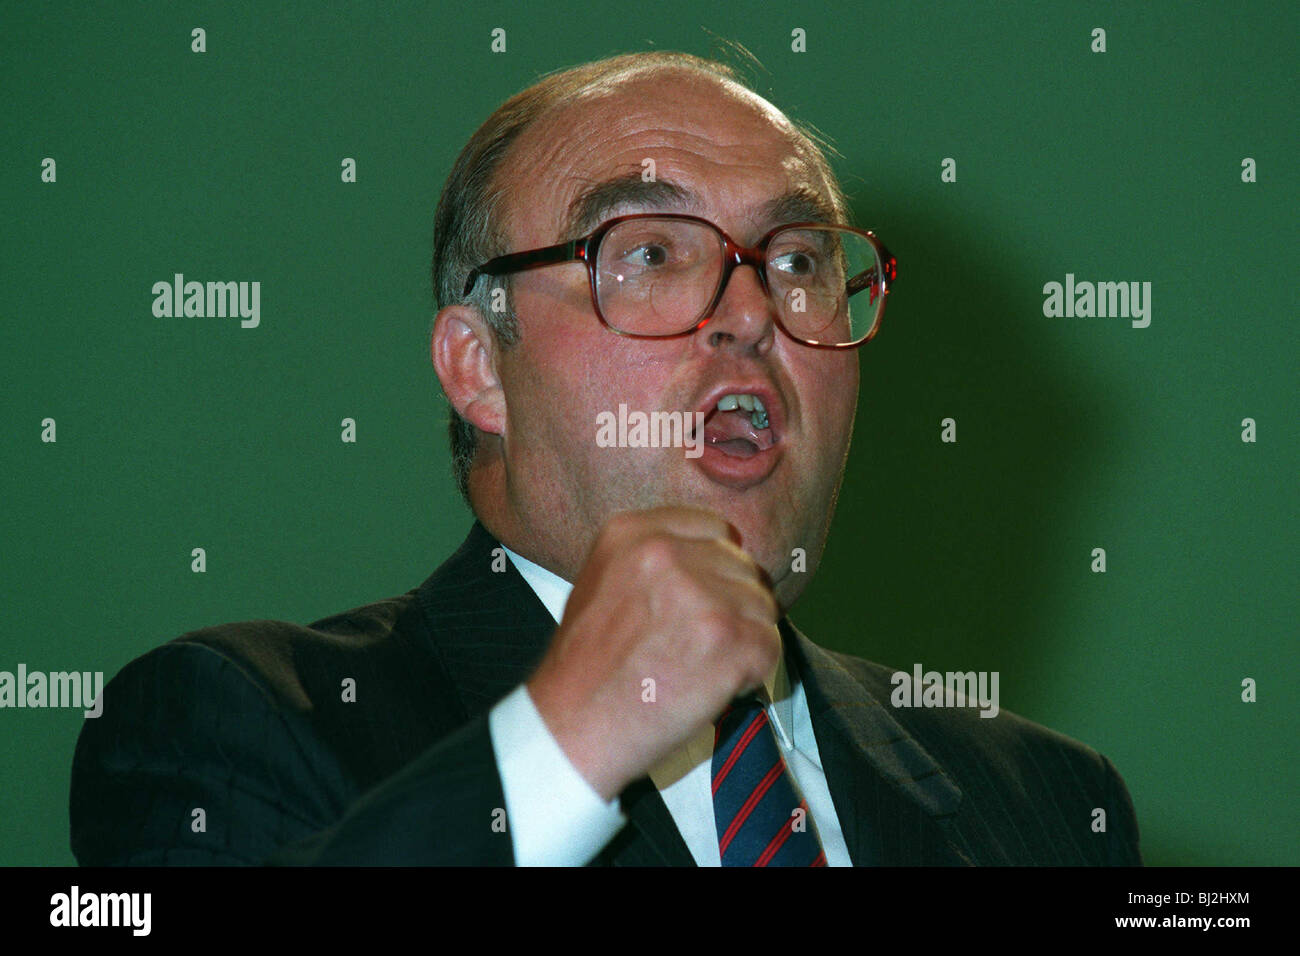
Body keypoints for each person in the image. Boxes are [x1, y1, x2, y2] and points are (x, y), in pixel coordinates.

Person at [70, 51, 1142, 866]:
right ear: (478, 365)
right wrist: (571, 740)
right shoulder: (232, 725)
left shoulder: (1043, 798)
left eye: (799, 259)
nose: (749, 314)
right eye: (647, 253)